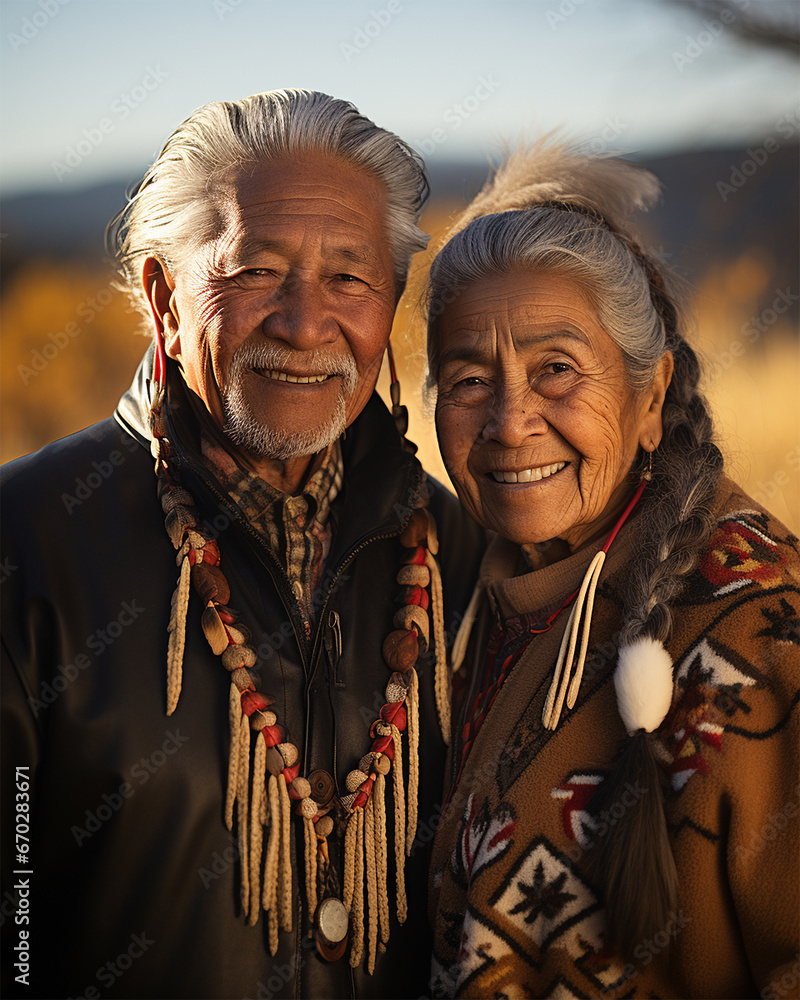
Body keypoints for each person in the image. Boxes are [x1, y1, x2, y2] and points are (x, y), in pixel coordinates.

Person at [0, 89, 485, 1000]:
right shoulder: (28, 545)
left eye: (349, 277)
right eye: (256, 271)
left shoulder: (456, 549)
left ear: (392, 304)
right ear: (163, 299)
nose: (305, 324)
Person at [424, 141, 800, 999]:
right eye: (469, 378)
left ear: (651, 397)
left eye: (557, 369)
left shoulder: (761, 627)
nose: (510, 422)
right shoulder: (448, 592)